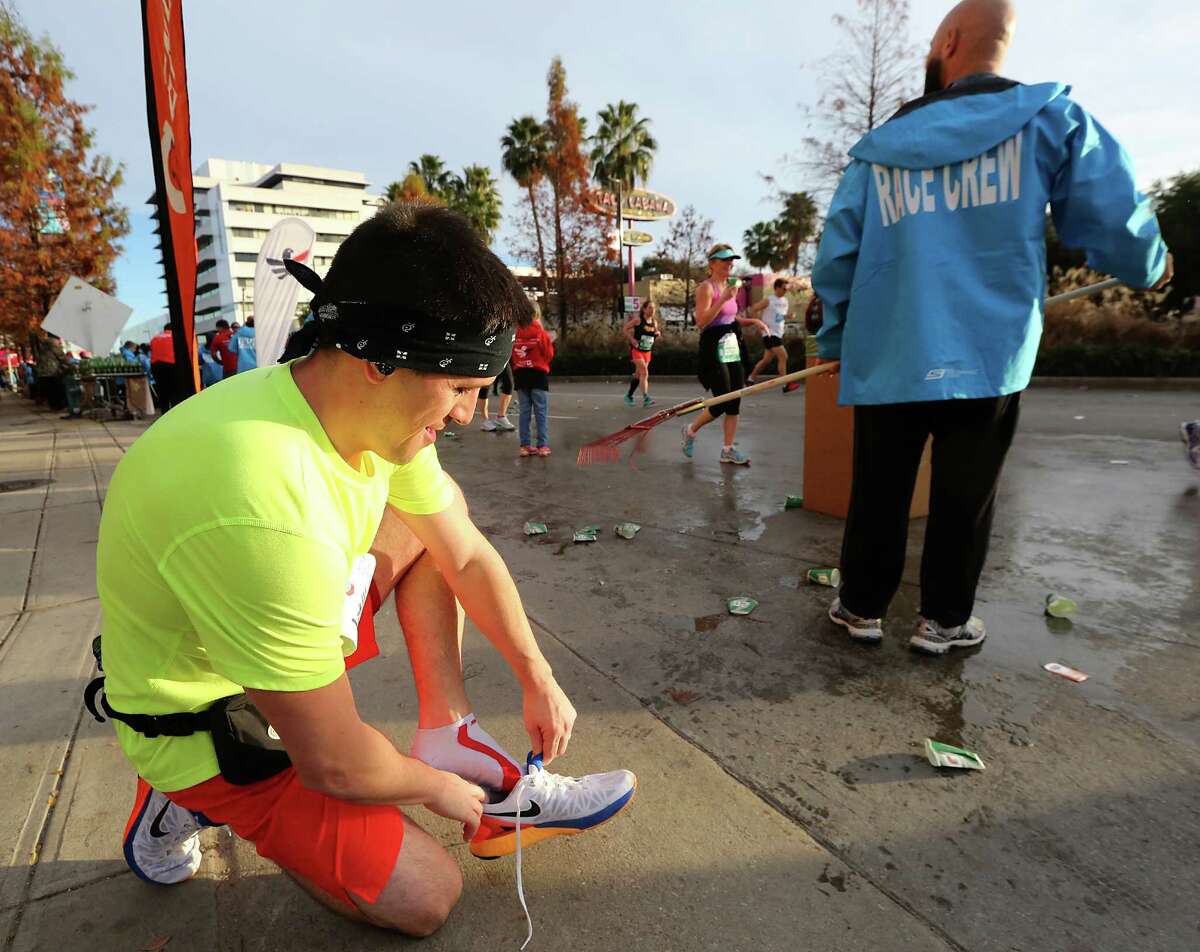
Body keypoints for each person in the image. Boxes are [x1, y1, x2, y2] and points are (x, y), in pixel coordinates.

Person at [90, 204, 634, 937]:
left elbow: (465, 553)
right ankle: (183, 797)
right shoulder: (262, 505)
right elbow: (336, 764)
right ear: (379, 361)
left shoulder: (367, 414)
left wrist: (537, 673)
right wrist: (437, 788)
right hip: (208, 716)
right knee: (425, 896)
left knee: (433, 524)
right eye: (464, 388)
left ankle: (449, 727)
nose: (471, 416)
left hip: (265, 621)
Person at [811, 0, 1172, 655]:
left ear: (948, 40)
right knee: (966, 495)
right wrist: (1150, 264)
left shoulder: (879, 149)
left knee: (880, 490)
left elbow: (837, 254)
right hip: (989, 351)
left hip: (891, 350)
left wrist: (836, 341)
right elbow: (1115, 214)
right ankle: (943, 622)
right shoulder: (1050, 120)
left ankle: (860, 608)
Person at [680, 245, 770, 466]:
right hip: (713, 345)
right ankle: (690, 430)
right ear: (712, 263)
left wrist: (753, 322)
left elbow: (732, 317)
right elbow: (701, 321)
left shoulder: (732, 286)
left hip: (731, 343)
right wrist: (722, 299)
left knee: (735, 399)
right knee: (721, 400)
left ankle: (727, 449)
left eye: (732, 260)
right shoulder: (706, 288)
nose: (729, 263)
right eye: (724, 260)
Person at [512, 301, 555, 457]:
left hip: (521, 375)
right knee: (541, 412)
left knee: (524, 412)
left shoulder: (515, 332)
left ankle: (524, 446)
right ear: (536, 314)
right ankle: (542, 445)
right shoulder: (540, 333)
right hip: (538, 375)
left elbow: (512, 353)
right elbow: (549, 354)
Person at [746, 278, 793, 387]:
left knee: (766, 360)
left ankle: (750, 378)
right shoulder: (769, 300)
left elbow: (778, 316)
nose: (785, 291)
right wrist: (759, 324)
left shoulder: (785, 301)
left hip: (778, 332)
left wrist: (788, 316)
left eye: (787, 289)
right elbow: (753, 309)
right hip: (769, 333)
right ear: (776, 288)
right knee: (783, 356)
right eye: (783, 288)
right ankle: (785, 384)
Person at [622, 299, 659, 408]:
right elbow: (625, 329)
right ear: (644, 309)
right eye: (650, 308)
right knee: (644, 372)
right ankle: (646, 398)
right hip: (637, 350)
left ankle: (629, 395)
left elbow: (653, 335)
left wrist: (657, 334)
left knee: (638, 375)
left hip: (647, 351)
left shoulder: (654, 322)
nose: (652, 310)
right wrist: (632, 339)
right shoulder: (638, 320)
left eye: (654, 308)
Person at [476, 361, 515, 432]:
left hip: (501, 355)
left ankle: (501, 416)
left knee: (509, 384)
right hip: (487, 356)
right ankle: (484, 420)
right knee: (485, 385)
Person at [149, 324, 177, 412]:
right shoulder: (175, 337)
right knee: (174, 391)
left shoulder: (154, 338)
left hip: (156, 366)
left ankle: (164, 413)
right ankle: (175, 412)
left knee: (162, 391)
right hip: (171, 365)